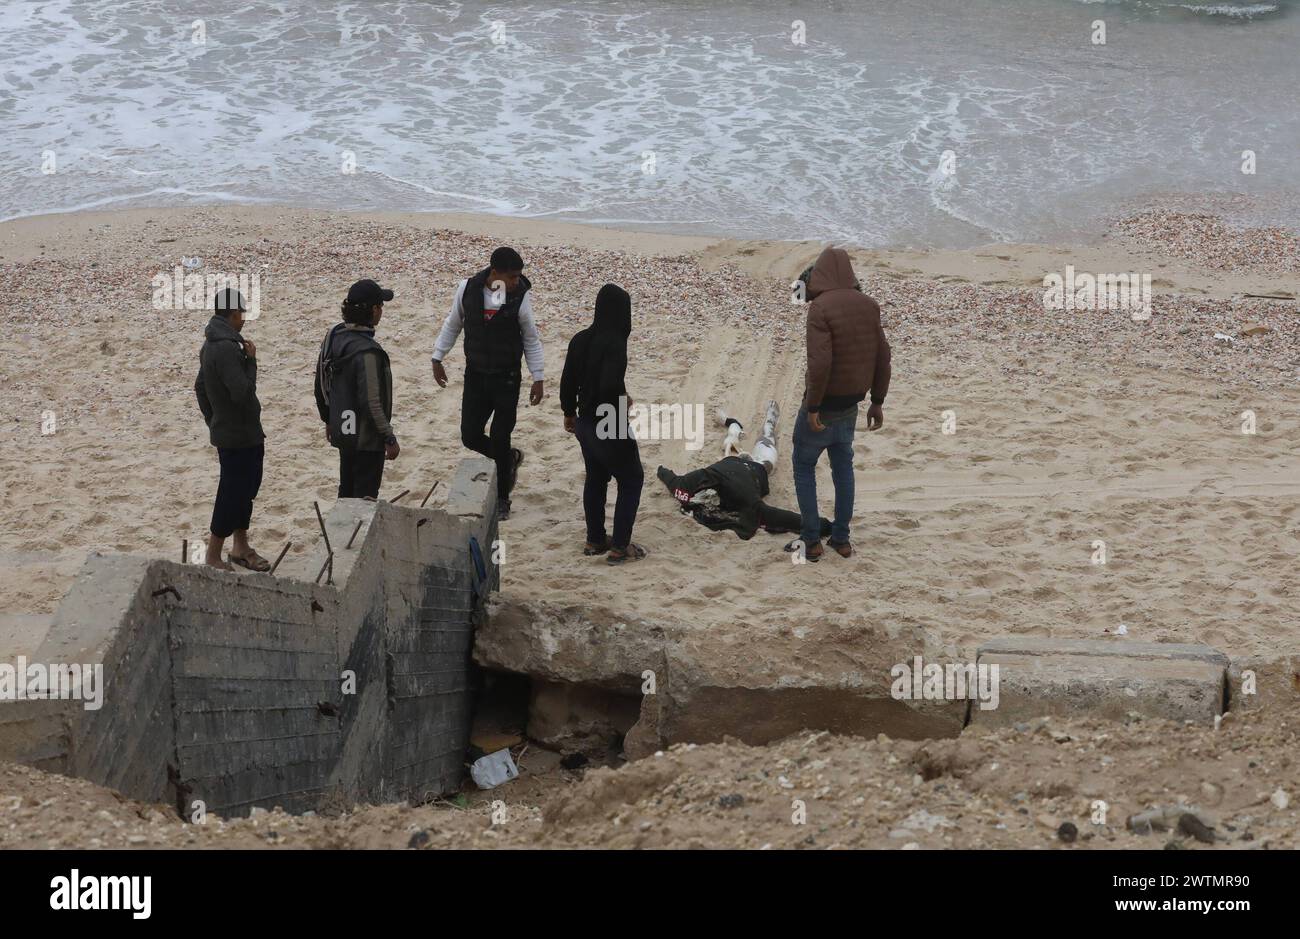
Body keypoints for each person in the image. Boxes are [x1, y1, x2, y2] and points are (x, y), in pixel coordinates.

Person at [789, 247, 891, 561]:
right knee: (843, 469)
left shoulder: (819, 308)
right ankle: (842, 539)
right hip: (852, 404)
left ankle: (811, 541)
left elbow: (820, 365)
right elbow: (883, 357)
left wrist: (814, 407)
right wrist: (877, 401)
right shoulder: (869, 305)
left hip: (824, 404)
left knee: (804, 467)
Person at [431, 246, 544, 520]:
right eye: (513, 277)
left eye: (519, 277)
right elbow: (453, 324)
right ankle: (509, 458)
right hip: (476, 375)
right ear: (495, 273)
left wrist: (537, 376)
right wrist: (438, 356)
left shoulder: (520, 298)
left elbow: (531, 337)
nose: (517, 282)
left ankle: (503, 498)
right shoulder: (467, 289)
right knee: (469, 435)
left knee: (500, 436)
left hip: (507, 378)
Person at [559, 283, 647, 565]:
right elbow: (610, 385)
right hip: (608, 422)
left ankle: (594, 539)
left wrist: (568, 413)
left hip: (584, 422)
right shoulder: (615, 343)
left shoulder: (580, 339)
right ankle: (620, 547)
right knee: (631, 479)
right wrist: (624, 400)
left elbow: (568, 381)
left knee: (596, 477)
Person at [657, 401, 831, 540]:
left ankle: (764, 419)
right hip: (751, 467)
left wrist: (663, 472)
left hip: (757, 468)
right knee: (755, 440)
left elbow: (676, 483)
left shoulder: (717, 477)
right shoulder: (715, 473)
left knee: (761, 440)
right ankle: (744, 421)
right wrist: (662, 471)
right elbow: (676, 483)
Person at [195, 287, 269, 571]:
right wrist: (251, 361)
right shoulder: (227, 347)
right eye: (242, 314)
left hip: (232, 432)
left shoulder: (210, 345)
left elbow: (200, 387)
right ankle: (214, 555)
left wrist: (213, 420)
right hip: (240, 435)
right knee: (232, 492)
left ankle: (240, 547)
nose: (244, 320)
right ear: (234, 314)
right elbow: (242, 393)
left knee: (244, 489)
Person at [314, 279, 399, 500]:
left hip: (344, 429)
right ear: (373, 310)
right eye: (380, 306)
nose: (381, 311)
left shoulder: (333, 336)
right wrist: (389, 437)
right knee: (364, 498)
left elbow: (320, 383)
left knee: (346, 490)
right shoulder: (368, 353)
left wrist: (328, 419)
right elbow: (371, 402)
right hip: (367, 441)